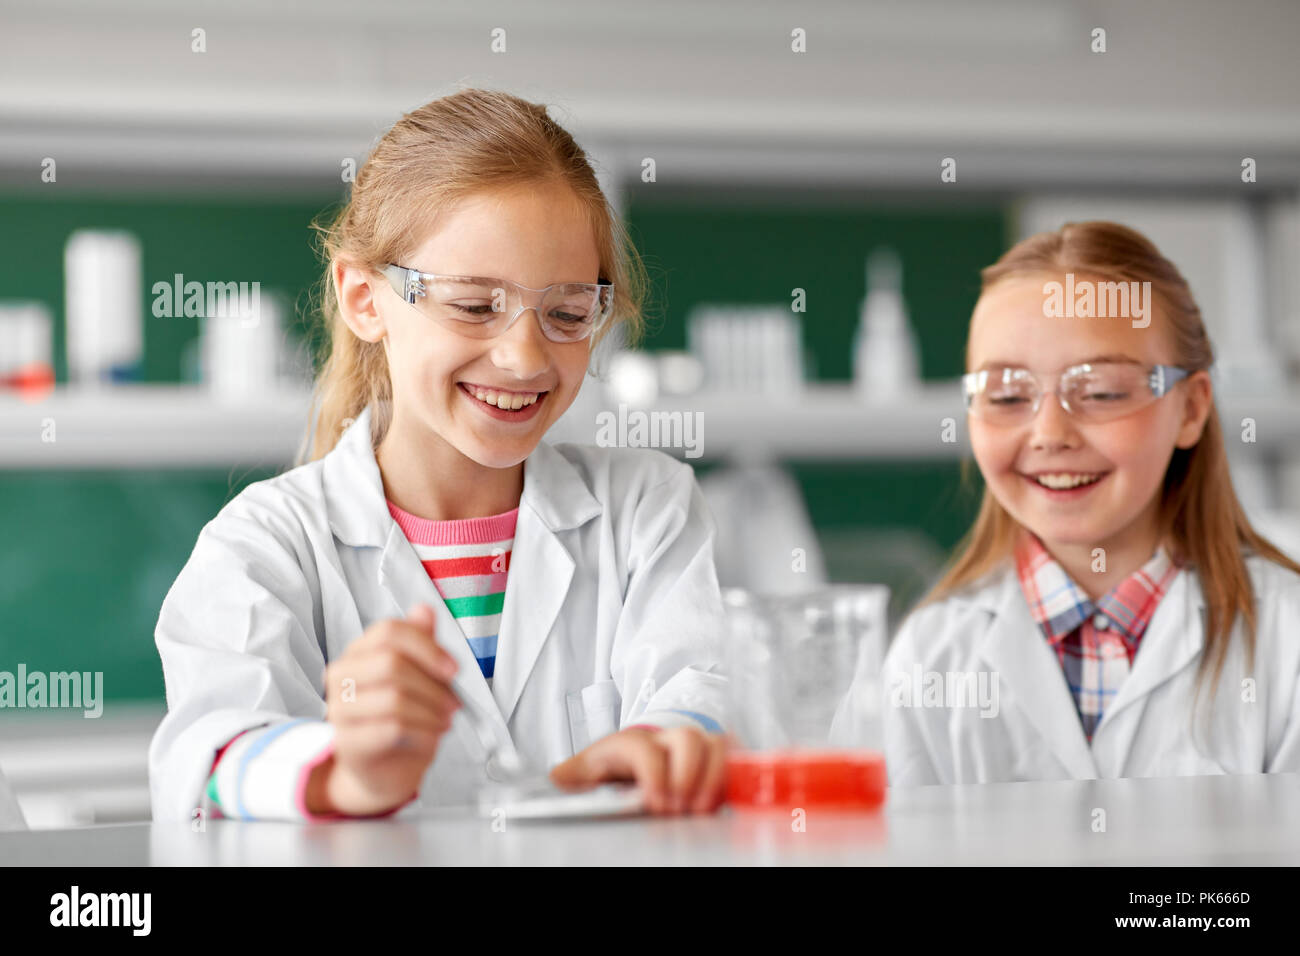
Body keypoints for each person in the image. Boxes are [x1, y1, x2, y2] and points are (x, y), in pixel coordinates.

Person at [149, 89, 728, 822]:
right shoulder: (266, 547)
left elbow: (701, 692)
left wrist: (670, 751)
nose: (523, 357)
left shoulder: (647, 511)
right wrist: (344, 776)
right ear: (365, 299)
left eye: (567, 313)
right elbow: (213, 753)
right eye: (474, 305)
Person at [883, 220, 1300, 785]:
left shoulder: (1285, 638)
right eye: (1006, 395)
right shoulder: (931, 655)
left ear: (1192, 409)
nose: (1050, 432)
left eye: (1102, 391)